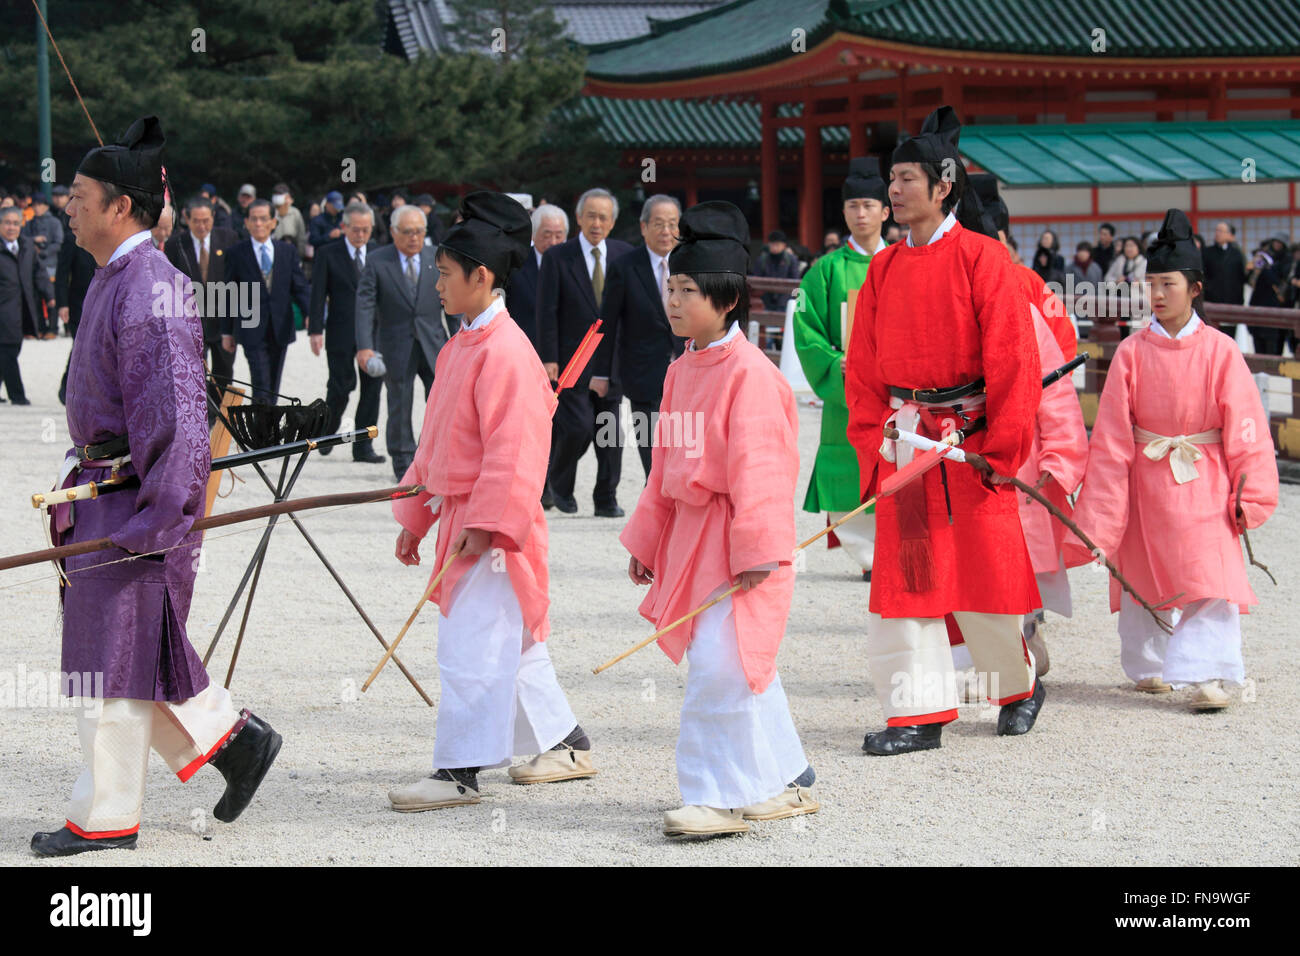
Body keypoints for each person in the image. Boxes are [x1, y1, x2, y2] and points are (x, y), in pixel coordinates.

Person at [32, 116, 280, 857]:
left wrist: (163, 514)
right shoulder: (116, 277)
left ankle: (105, 819)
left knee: (112, 661)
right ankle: (235, 743)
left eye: (78, 196)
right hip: (103, 486)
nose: (65, 207)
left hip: (137, 495)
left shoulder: (152, 287)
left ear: (119, 207)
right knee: (118, 653)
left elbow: (173, 411)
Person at [844, 106, 1044, 755]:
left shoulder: (985, 260)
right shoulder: (882, 270)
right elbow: (864, 369)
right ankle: (916, 713)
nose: (893, 191)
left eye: (906, 179)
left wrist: (1001, 448)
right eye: (891, 179)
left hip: (970, 441)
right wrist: (872, 442)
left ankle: (1015, 686)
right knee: (908, 580)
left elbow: (1014, 360)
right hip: (906, 441)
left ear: (944, 184)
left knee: (983, 580)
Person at [387, 191, 594, 812]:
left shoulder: (507, 352)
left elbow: (518, 452)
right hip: (464, 520)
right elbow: (433, 446)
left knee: (472, 643)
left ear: (482, 277)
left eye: (445, 274)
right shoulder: (461, 347)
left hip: (494, 528)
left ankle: (460, 769)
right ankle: (567, 741)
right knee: (512, 640)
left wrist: (483, 525)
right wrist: (416, 518)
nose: (437, 284)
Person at [621, 200, 817, 838]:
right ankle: (784, 777)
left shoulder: (753, 378)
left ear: (725, 299)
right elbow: (662, 469)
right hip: (691, 537)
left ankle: (717, 795)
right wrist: (648, 539)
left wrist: (759, 552)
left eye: (687, 291)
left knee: (720, 665)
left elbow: (764, 472)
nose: (673, 301)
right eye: (671, 287)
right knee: (734, 659)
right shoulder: (680, 370)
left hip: (737, 543)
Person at [1067, 209, 1278, 710]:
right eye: (1152, 284)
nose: (1158, 295)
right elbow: (1114, 436)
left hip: (1205, 477)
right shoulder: (1131, 353)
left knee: (1208, 573)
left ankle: (1205, 674)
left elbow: (1247, 429)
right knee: (1143, 573)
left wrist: (1249, 493)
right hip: (1146, 479)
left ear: (1195, 288)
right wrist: (1101, 513)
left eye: (1169, 284)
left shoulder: (1222, 352)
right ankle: (1150, 663)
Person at [794, 156, 890, 580]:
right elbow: (806, 329)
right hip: (847, 389)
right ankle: (868, 555)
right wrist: (837, 363)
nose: (861, 213)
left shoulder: (906, 261)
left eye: (870, 205)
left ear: (886, 211)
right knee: (848, 463)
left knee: (898, 461)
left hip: (901, 389)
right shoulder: (826, 270)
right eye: (854, 206)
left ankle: (898, 546)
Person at [536, 187, 632, 516]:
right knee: (576, 427)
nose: (596, 222)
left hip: (611, 361)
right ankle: (559, 487)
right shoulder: (558, 257)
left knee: (609, 435)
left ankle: (606, 499)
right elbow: (546, 311)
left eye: (603, 216)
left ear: (613, 222)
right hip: (571, 359)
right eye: (590, 215)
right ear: (578, 217)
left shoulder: (624, 255)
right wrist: (548, 358)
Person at [355, 203, 453, 480]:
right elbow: (364, 304)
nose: (414, 238)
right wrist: (364, 346)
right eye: (408, 232)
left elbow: (454, 299)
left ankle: (435, 453)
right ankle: (403, 460)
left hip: (434, 341)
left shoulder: (437, 257)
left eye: (419, 232)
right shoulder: (377, 260)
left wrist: (461, 337)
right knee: (399, 400)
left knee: (442, 401)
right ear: (394, 232)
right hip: (395, 342)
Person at [601, 194, 685, 479]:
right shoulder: (624, 267)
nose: (666, 231)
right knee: (652, 454)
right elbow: (608, 325)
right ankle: (658, 511)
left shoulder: (692, 264)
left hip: (687, 372)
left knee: (685, 450)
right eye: (659, 224)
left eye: (672, 224)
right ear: (643, 227)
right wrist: (602, 373)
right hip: (642, 372)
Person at [307, 201, 384, 463]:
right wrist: (315, 330)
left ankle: (363, 447)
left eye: (365, 229)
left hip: (374, 332)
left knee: (372, 389)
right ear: (343, 227)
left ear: (371, 228)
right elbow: (318, 294)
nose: (360, 235)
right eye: (355, 229)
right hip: (340, 330)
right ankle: (327, 433)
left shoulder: (379, 253)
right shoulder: (328, 253)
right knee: (340, 387)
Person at [220, 198, 311, 403]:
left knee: (273, 384)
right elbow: (228, 294)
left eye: (263, 219)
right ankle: (260, 433)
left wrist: (308, 314)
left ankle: (267, 430)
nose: (258, 224)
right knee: (261, 383)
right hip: (251, 328)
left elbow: (299, 286)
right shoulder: (236, 253)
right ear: (246, 222)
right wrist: (226, 331)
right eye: (254, 219)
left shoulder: (287, 251)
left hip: (280, 326)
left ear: (273, 222)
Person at [163, 196, 238, 420]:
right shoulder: (176, 244)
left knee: (224, 371)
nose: (202, 226)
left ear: (213, 218)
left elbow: (237, 278)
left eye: (206, 220)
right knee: (195, 371)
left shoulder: (229, 238)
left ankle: (220, 414)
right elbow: (170, 284)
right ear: (187, 219)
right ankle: (203, 414)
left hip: (223, 319)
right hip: (191, 321)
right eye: (196, 221)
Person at [1, 206, 54, 403]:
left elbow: (39, 273)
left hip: (23, 307)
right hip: (3, 309)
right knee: (9, 349)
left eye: (15, 223)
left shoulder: (27, 247)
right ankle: (17, 396)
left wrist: (49, 295)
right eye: (7, 223)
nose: (11, 227)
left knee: (9, 350)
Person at [506, 203, 567, 349]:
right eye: (547, 235)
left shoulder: (575, 265)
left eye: (558, 236)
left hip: (566, 352)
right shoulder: (515, 265)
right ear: (533, 234)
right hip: (524, 349)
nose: (553, 242)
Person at [54, 218, 98, 403]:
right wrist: (62, 304)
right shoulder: (71, 240)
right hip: (78, 303)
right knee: (80, 346)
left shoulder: (106, 238)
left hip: (100, 300)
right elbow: (62, 273)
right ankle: (67, 388)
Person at [23, 194, 64, 336]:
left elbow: (58, 243)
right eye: (35, 205)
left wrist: (43, 252)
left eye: (40, 205)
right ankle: (39, 327)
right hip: (33, 265)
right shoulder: (28, 224)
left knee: (51, 296)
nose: (37, 208)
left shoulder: (55, 222)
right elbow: (23, 240)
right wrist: (34, 240)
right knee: (35, 297)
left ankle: (53, 328)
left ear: (46, 206)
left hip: (50, 263)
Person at [1202, 221, 1247, 340]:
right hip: (1212, 301)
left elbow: (1242, 277)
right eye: (1216, 231)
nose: (1217, 234)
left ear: (1229, 235)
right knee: (1211, 335)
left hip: (1232, 302)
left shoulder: (1237, 254)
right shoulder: (1207, 252)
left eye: (1221, 231)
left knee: (1229, 337)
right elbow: (1202, 275)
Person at [1245, 233, 1289, 354]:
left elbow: (1280, 282)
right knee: (1257, 336)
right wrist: (1255, 267)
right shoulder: (1261, 259)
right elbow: (1250, 281)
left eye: (1279, 243)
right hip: (1258, 300)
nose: (1276, 245)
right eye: (1275, 242)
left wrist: (1267, 269)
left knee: (1272, 338)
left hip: (1274, 304)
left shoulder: (1286, 260)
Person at [751, 230, 801, 311]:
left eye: (777, 244)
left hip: (785, 299)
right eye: (772, 244)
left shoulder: (791, 259)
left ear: (784, 246)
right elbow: (757, 279)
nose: (774, 247)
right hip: (766, 299)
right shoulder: (762, 259)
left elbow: (795, 279)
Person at [270, 183, 309, 260]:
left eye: (280, 194)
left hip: (291, 252)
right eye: (276, 194)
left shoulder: (295, 213)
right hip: (272, 252)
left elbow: (301, 236)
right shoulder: (269, 211)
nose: (278, 196)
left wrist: (299, 256)